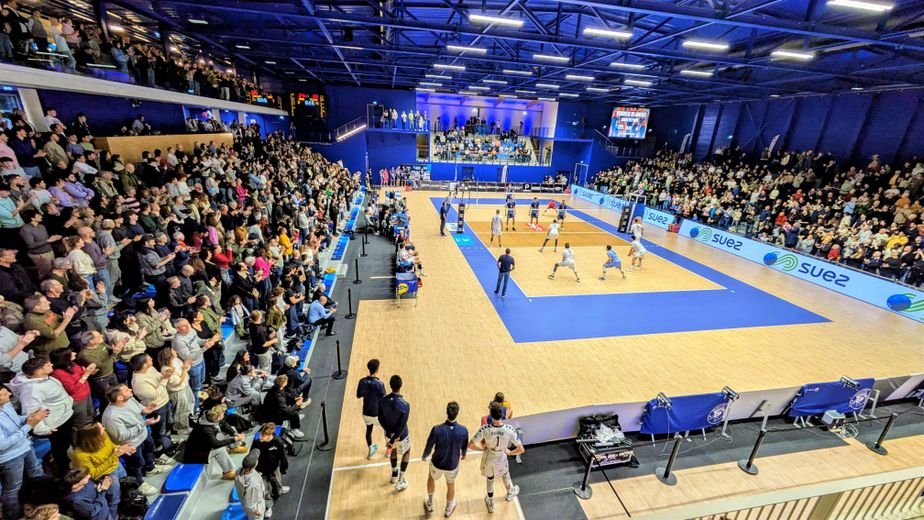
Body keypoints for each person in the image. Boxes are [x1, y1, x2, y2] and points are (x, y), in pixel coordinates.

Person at [9, 357, 74, 477]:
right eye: (47, 365)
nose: (52, 364)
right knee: (60, 449)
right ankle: (64, 471)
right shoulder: (32, 389)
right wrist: (43, 429)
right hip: (56, 423)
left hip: (65, 415)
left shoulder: (46, 378)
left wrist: (68, 400)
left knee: (65, 444)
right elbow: (31, 412)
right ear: (39, 371)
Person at [0, 384, 48, 520]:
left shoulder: (6, 405)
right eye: (4, 394)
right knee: (13, 488)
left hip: (25, 445)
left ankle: (42, 503)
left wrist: (28, 418)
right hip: (10, 457)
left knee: (37, 473)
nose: (9, 395)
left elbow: (16, 421)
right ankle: (13, 516)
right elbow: (2, 445)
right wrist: (29, 426)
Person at [469, 403, 525, 513]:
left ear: (491, 415)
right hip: (501, 457)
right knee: (505, 474)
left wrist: (482, 449)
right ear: (502, 414)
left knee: (490, 480)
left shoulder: (485, 429)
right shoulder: (509, 429)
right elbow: (521, 449)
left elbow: (470, 445)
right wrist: (510, 452)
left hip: (489, 458)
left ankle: (490, 503)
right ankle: (510, 492)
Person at [422, 401, 469, 518]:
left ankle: (430, 503)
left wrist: (425, 455)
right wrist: (464, 454)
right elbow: (464, 446)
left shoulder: (436, 429)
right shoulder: (463, 430)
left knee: (431, 478)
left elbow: (429, 445)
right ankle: (448, 508)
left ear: (446, 412)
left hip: (436, 464)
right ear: (457, 413)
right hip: (452, 466)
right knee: (451, 485)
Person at [184, 404, 248, 481]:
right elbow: (216, 444)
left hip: (205, 444)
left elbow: (224, 424)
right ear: (218, 417)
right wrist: (235, 439)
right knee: (220, 450)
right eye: (222, 415)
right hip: (195, 454)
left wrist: (234, 434)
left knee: (232, 430)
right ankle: (228, 473)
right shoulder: (206, 429)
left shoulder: (210, 417)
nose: (224, 416)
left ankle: (235, 448)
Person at [379, 374, 411, 492]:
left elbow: (380, 418)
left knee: (392, 451)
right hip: (401, 435)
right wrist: (394, 438)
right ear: (400, 386)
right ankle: (401, 480)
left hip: (388, 434)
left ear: (390, 385)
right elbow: (402, 425)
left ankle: (394, 474)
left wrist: (389, 432)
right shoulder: (405, 405)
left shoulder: (383, 401)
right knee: (406, 452)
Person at [250, 423, 290, 506]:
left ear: (269, 436)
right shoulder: (257, 442)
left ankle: (279, 491)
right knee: (264, 488)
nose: (260, 438)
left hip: (274, 468)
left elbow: (283, 457)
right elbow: (252, 454)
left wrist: (284, 469)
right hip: (261, 469)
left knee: (276, 483)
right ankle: (268, 504)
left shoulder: (277, 441)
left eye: (263, 436)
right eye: (261, 435)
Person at [356, 359, 386, 459]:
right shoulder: (380, 384)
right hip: (377, 414)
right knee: (388, 430)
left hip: (366, 413)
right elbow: (384, 399)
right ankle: (389, 451)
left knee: (369, 431)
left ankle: (370, 451)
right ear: (377, 369)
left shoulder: (362, 381)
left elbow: (358, 395)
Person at [235, 449, 270, 520]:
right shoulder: (253, 484)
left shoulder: (239, 471)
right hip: (256, 508)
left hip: (244, 502)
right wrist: (257, 512)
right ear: (253, 466)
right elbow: (250, 505)